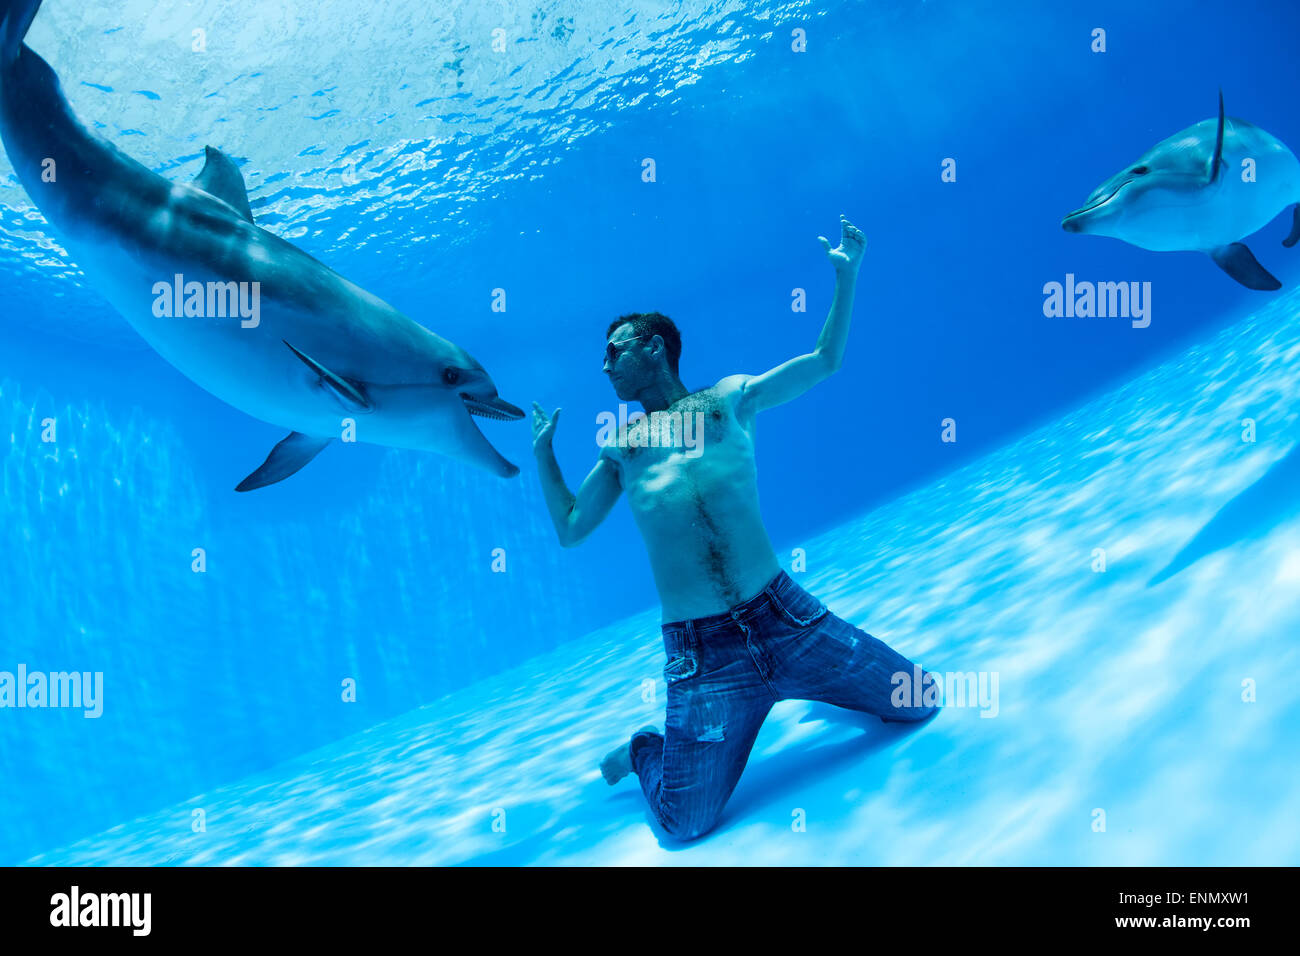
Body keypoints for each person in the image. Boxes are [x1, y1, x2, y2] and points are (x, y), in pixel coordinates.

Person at [531, 214, 941, 842]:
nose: (604, 366)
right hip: (704, 657)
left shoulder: (730, 398)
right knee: (682, 824)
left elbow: (825, 360)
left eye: (614, 351)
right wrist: (544, 454)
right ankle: (647, 746)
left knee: (920, 701)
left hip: (788, 619)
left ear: (654, 347)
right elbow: (570, 527)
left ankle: (812, 694)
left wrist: (847, 275)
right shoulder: (622, 447)